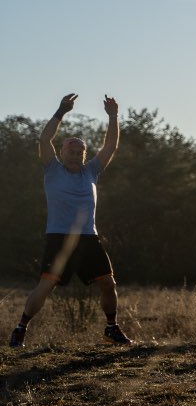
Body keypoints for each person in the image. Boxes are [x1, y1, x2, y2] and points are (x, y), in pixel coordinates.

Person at [10, 94, 131, 348]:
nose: (75, 155)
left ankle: (111, 329)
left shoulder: (91, 171)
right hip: (59, 238)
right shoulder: (52, 170)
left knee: (108, 284)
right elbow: (44, 139)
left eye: (80, 152)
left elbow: (110, 146)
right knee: (46, 286)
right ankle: (20, 329)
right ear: (61, 153)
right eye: (71, 151)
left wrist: (112, 116)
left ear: (85, 155)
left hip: (89, 238)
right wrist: (61, 111)